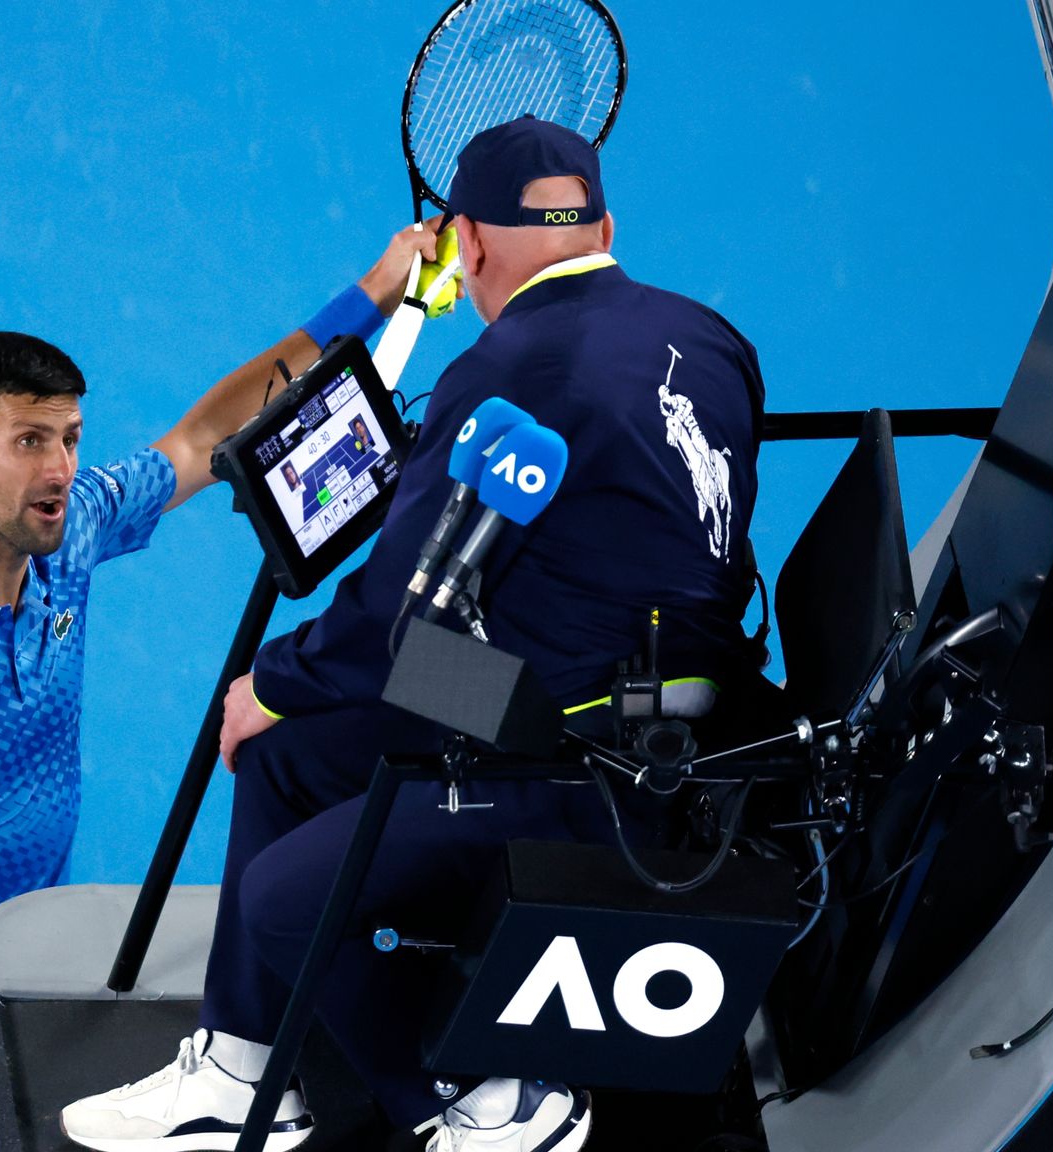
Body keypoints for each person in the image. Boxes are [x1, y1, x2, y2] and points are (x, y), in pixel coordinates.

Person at [61, 116, 769, 1152]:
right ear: (603, 226)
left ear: (467, 245)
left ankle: (488, 1102)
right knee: (292, 757)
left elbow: (395, 618)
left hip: (569, 739)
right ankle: (238, 1071)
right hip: (657, 701)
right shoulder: (712, 339)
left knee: (280, 896)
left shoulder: (505, 366)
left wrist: (273, 681)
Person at [0, 228, 438, 1152]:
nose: (60, 469)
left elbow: (204, 435)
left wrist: (376, 293)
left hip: (22, 983)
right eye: (29, 441)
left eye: (69, 439)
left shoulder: (71, 536)